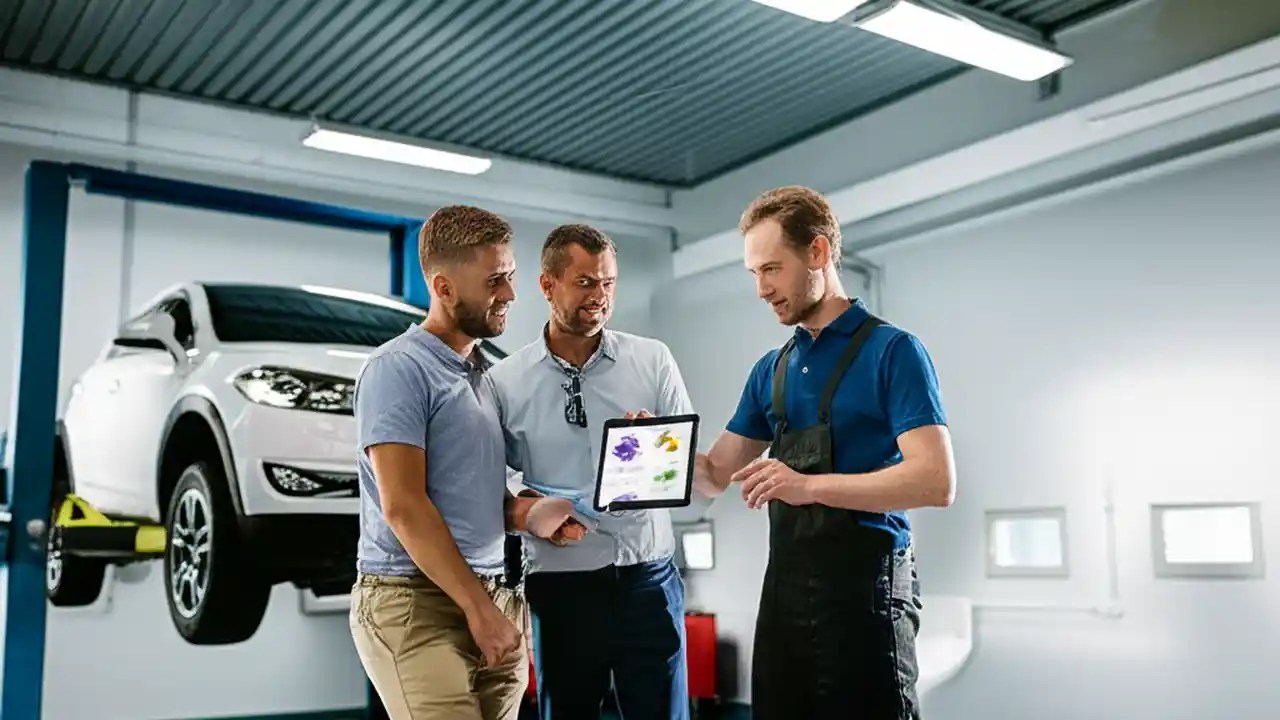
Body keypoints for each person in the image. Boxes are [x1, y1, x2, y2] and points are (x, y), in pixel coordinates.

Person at [693, 186, 956, 720]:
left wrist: (806, 486)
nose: (762, 289)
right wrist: (644, 449)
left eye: (772, 269)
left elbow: (935, 481)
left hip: (869, 592)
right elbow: (715, 474)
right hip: (785, 590)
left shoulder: (893, 352)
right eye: (754, 274)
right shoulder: (772, 369)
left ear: (817, 252)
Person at [350, 205, 584, 720]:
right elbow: (404, 506)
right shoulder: (399, 370)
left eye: (511, 276)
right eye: (495, 280)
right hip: (417, 603)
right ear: (444, 287)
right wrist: (479, 611)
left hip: (492, 594)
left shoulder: (481, 374)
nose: (511, 294)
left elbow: (466, 494)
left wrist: (527, 515)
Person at [486, 224, 694, 720]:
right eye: (585, 283)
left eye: (608, 283)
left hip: (649, 580)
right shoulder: (503, 382)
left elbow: (682, 464)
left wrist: (655, 449)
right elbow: (490, 485)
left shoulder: (652, 360)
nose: (599, 297)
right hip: (563, 587)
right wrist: (532, 510)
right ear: (547, 285)